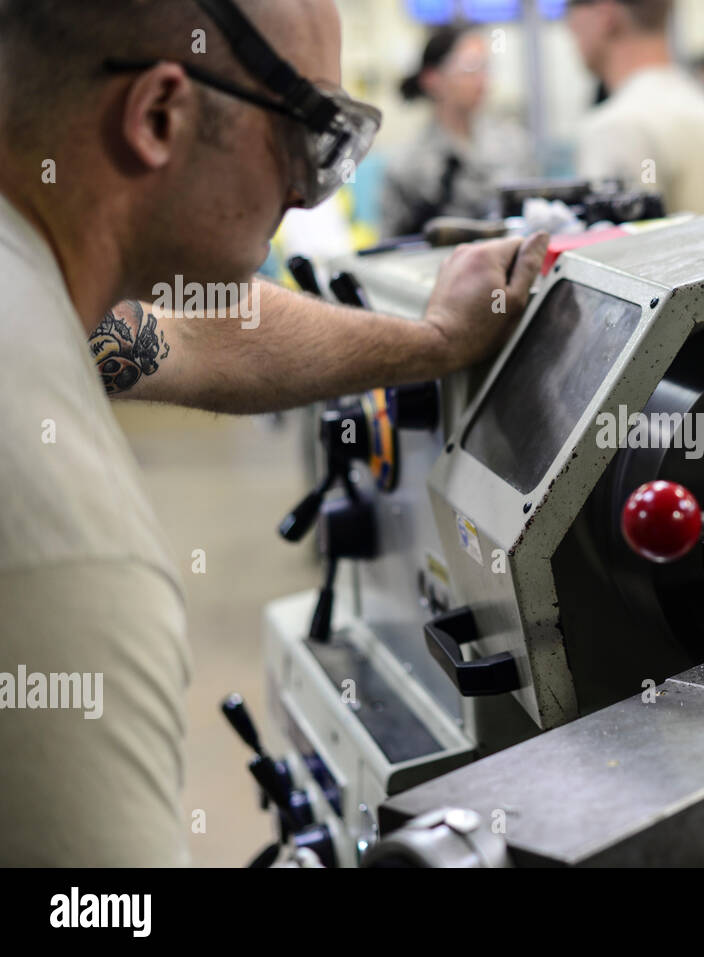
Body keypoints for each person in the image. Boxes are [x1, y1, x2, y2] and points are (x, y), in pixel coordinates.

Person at [0, 0, 546, 866]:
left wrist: (435, 342)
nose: (303, 190)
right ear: (158, 117)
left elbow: (187, 329)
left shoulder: (36, 271)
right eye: (306, 136)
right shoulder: (64, 550)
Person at [566, 0, 704, 214]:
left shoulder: (616, 126)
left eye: (571, 17)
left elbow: (616, 243)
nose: (570, 32)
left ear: (604, 16)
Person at [380, 25, 533, 237]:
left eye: (485, 68)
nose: (482, 80)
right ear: (432, 79)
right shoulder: (408, 165)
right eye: (470, 68)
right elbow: (391, 246)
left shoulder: (513, 143)